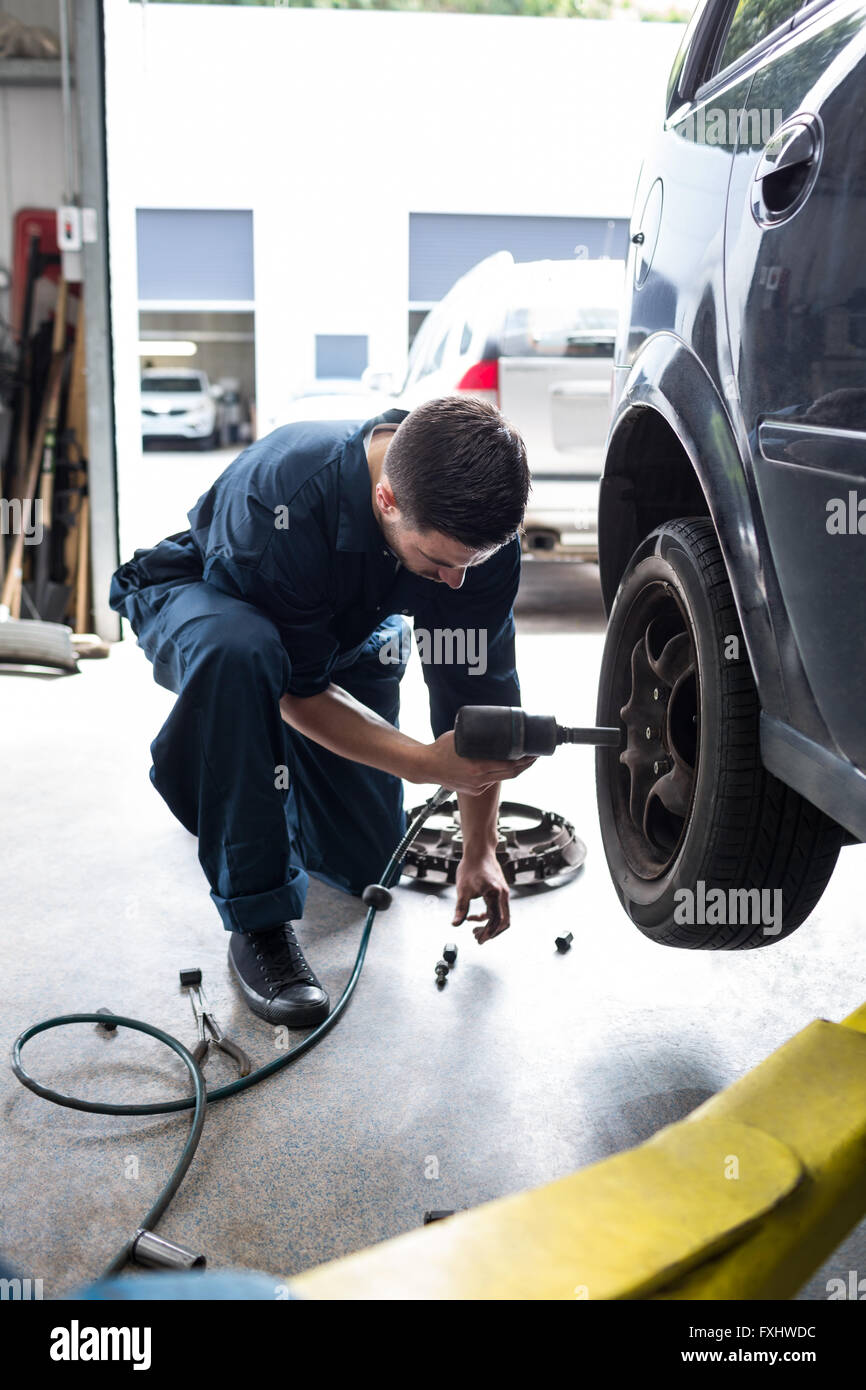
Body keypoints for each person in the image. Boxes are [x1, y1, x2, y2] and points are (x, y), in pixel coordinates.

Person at [110, 396, 533, 1028]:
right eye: (440, 563)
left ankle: (249, 782)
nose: (454, 583)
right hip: (207, 601)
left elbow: (478, 697)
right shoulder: (278, 502)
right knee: (243, 654)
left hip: (337, 634)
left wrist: (480, 849)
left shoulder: (474, 536)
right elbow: (295, 691)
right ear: (387, 501)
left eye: (469, 564)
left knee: (362, 863)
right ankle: (257, 921)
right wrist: (420, 764)